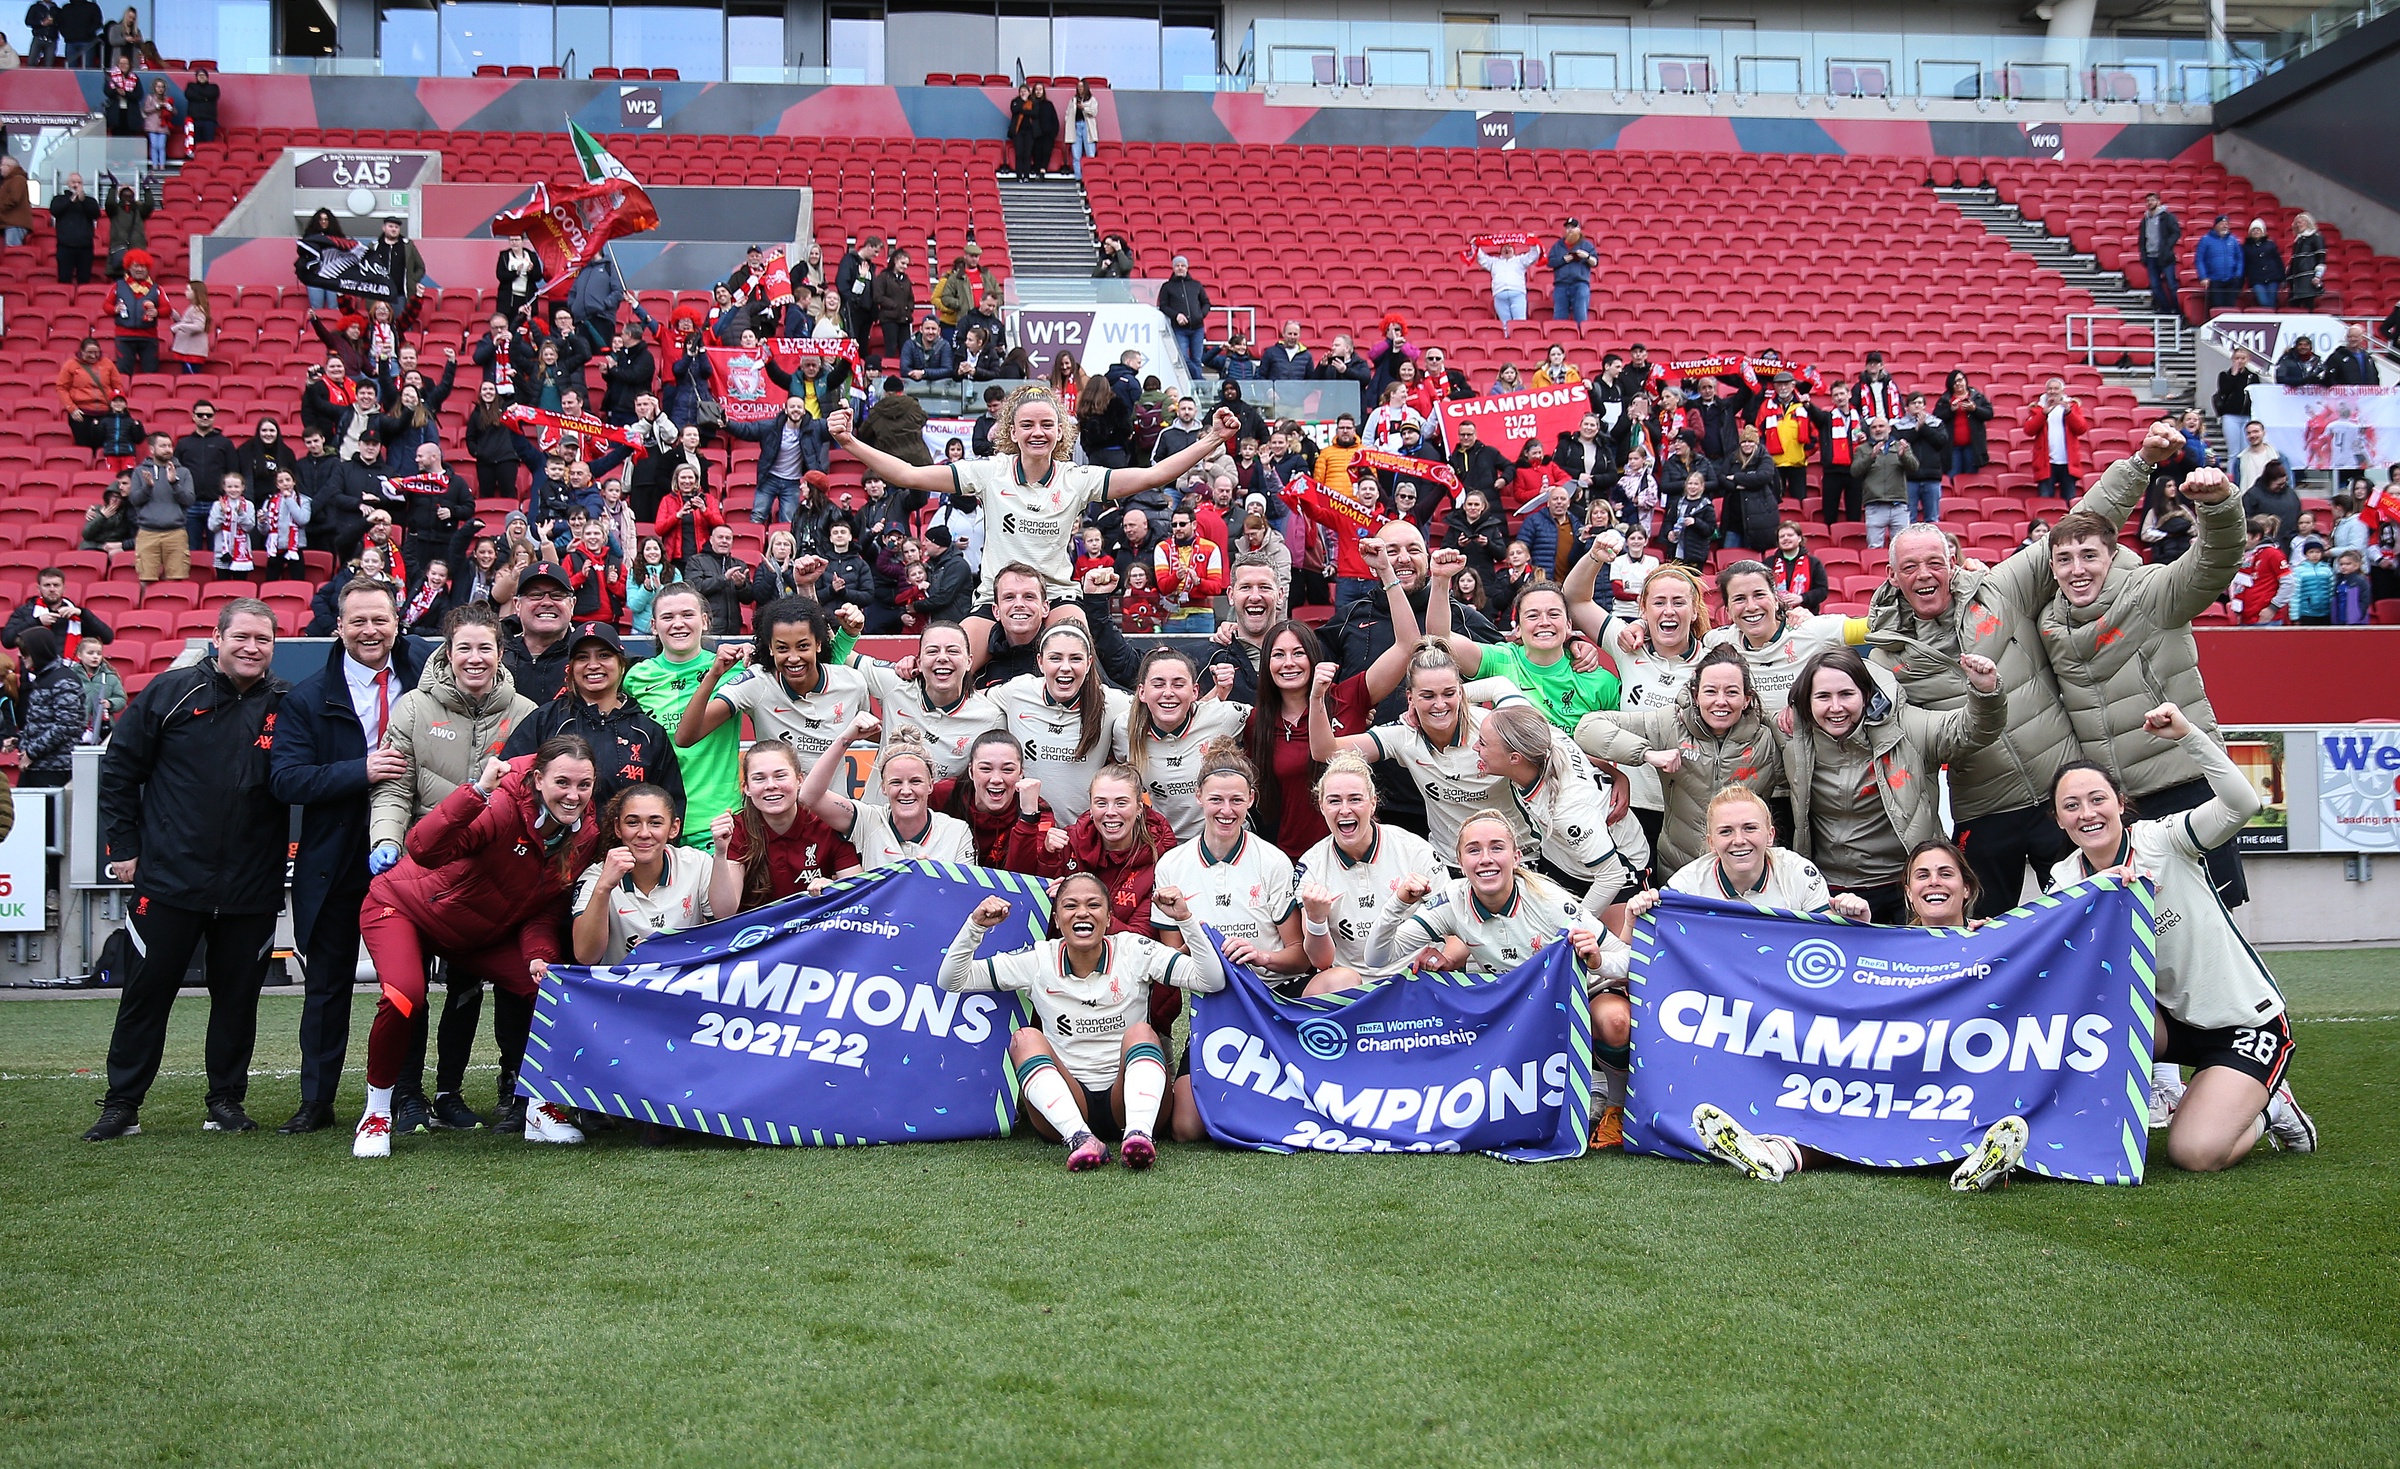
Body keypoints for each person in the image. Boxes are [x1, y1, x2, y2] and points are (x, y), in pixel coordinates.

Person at [2049, 704, 2314, 1170]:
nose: (2086, 814)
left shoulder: (2163, 840)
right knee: (2076, 1013)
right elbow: (2035, 945)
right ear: (2058, 820)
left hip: (2243, 1024)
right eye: (2071, 806)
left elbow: (2243, 804)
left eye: (2097, 799)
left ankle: (2270, 1106)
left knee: (2194, 1154)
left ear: (2119, 803)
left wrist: (2188, 735)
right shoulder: (2066, 878)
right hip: (2167, 1029)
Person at [84, 602, 284, 1143]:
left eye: (263, 639)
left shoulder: (287, 704)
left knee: (238, 1001)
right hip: (169, 880)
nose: (251, 648)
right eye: (241, 636)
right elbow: (121, 768)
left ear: (274, 646)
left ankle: (225, 1101)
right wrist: (124, 846)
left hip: (251, 886)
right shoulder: (172, 693)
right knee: (146, 996)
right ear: (216, 638)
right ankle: (122, 1104)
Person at [825, 385, 1234, 645]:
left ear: (1060, 433)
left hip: (1056, 597)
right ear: (1012, 432)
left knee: (1076, 649)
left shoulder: (1077, 478)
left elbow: (1153, 475)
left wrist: (1214, 437)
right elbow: (908, 473)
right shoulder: (989, 472)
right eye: (1027, 425)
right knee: (950, 658)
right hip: (993, 600)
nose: (1037, 432)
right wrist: (848, 440)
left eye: (1047, 424)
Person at [350, 738, 603, 1157]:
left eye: (584, 785)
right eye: (562, 783)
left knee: (553, 990)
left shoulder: (587, 832)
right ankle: (377, 1112)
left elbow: (544, 907)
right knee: (404, 996)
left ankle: (540, 1107)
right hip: (403, 907)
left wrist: (539, 955)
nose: (573, 795)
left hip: (475, 933)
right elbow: (424, 849)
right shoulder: (501, 805)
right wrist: (476, 792)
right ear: (538, 780)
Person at [265, 579, 430, 1134]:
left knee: (408, 984)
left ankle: (407, 1095)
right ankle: (317, 1099)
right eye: (357, 621)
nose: (369, 631)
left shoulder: (429, 678)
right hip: (334, 860)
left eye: (379, 619)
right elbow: (285, 779)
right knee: (327, 985)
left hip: (413, 857)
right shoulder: (307, 697)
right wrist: (360, 770)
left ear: (396, 621)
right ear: (338, 627)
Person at [2041, 464, 2247, 901]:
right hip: (2121, 806)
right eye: (2064, 559)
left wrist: (2216, 505)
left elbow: (2214, 563)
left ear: (2111, 556)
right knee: (2136, 932)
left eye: (2089, 556)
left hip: (2185, 785)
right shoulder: (2049, 625)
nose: (2077, 569)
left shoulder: (2151, 591)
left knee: (2212, 926)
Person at [1362, 810, 1632, 1141]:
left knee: (1615, 1021)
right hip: (1519, 1009)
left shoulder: (1549, 903)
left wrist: (1597, 959)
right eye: (1474, 850)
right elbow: (1377, 958)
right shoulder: (1453, 902)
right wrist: (1398, 904)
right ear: (1459, 862)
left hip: (1579, 1000)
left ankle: (1617, 1106)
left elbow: (1627, 959)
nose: (1486, 859)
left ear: (1516, 857)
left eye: (1497, 848)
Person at [942, 870, 1222, 1171]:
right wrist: (975, 927)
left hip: (1127, 1101)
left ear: (1109, 915)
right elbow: (953, 979)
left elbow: (1210, 979)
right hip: (1067, 1106)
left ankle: (1139, 1134)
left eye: (1093, 904)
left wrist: (1184, 918)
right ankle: (1080, 1138)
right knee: (1025, 1038)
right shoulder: (1038, 959)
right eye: (1070, 905)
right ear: (1058, 917)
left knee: (1141, 1032)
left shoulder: (1133, 950)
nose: (1082, 913)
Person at [1780, 645, 2004, 923]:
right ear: (1806, 701)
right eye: (1823, 697)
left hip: (1907, 885)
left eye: (1846, 694)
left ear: (1866, 695)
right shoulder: (1794, 742)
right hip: (1836, 890)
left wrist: (1985, 691)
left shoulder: (1905, 726)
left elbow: (1972, 730)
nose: (1835, 707)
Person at [1577, 645, 1784, 880]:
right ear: (1695, 695)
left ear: (1747, 699)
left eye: (1732, 692)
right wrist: (1646, 754)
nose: (1720, 701)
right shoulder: (1670, 724)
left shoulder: (1767, 737)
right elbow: (1587, 728)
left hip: (1747, 873)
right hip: (1680, 872)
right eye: (1710, 691)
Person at [705, 742, 861, 916]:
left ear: (800, 780)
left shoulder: (827, 824)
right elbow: (723, 913)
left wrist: (834, 891)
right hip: (755, 936)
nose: (770, 785)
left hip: (815, 930)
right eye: (759, 778)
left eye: (780, 776)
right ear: (746, 788)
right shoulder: (737, 830)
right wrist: (720, 852)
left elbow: (859, 896)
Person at [570, 784, 712, 968]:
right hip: (624, 991)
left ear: (674, 828)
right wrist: (603, 888)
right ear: (618, 827)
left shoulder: (697, 864)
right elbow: (585, 956)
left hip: (683, 986)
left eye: (655, 823)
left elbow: (723, 930)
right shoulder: (596, 877)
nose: (644, 833)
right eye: (632, 822)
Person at [13, 626, 80, 791]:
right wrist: (20, 740)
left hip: (53, 769)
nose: (19, 655)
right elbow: (41, 723)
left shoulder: (63, 680)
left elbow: (66, 726)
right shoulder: (44, 678)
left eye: (25, 651)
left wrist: (32, 752)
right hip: (36, 766)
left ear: (38, 651)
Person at [4, 567, 113, 649]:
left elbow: (107, 637)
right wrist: (37, 621)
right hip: (35, 676)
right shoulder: (25, 611)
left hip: (70, 673)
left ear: (64, 588)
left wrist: (83, 613)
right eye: (47, 585)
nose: (52, 589)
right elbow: (7, 641)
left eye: (56, 585)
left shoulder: (75, 614)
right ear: (38, 589)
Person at [2022, 378, 2089, 499]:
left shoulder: (2072, 406)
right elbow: (2029, 430)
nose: (2052, 391)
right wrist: (2043, 413)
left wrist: (2069, 412)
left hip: (2067, 463)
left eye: (2056, 388)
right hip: (2046, 463)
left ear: (2062, 391)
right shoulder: (2038, 408)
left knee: (2070, 501)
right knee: (2045, 500)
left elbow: (2081, 428)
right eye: (2050, 388)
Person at [1158, 255, 1211, 377]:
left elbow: (1206, 303)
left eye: (1182, 265)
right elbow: (1163, 306)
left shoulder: (1196, 285)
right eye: (1177, 266)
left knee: (1197, 360)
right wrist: (1176, 316)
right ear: (1173, 268)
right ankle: (1200, 383)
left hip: (1197, 328)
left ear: (1187, 268)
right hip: (1180, 329)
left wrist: (1200, 315)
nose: (1180, 268)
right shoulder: (1167, 287)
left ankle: (1196, 386)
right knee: (1184, 359)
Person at [1476, 236, 1540, 336]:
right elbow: (1481, 258)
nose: (1507, 249)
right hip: (1499, 296)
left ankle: (1521, 343)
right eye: (1504, 247)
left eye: (1510, 247)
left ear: (1514, 250)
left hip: (1517, 295)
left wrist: (1533, 243)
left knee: (1520, 324)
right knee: (1505, 326)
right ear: (1500, 250)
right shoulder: (1494, 262)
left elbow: (1533, 255)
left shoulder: (1520, 260)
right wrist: (1476, 245)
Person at [47, 170, 99, 283]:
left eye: (79, 182)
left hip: (85, 247)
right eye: (73, 182)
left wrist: (83, 200)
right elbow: (54, 211)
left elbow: (95, 214)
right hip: (65, 247)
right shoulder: (59, 199)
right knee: (64, 278)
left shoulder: (89, 201)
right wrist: (71, 200)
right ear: (68, 184)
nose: (76, 185)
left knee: (84, 279)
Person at [2138, 193, 2183, 319]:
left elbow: (2176, 233)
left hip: (2165, 256)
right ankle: (2165, 308)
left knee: (2171, 284)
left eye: (2152, 200)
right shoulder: (2145, 220)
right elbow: (2142, 238)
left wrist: (2167, 247)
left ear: (2158, 201)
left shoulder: (2168, 217)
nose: (2150, 203)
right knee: (2155, 285)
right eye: (2148, 201)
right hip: (2151, 256)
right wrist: (2143, 253)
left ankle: (2178, 310)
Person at [1546, 220, 1597, 324]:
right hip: (1561, 285)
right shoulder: (1558, 245)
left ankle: (1581, 337)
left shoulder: (1586, 245)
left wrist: (1586, 256)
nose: (1570, 230)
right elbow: (1550, 262)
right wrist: (1564, 259)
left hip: (1580, 284)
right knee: (1559, 317)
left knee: (1581, 315)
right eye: (1568, 228)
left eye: (1572, 228)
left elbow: (1594, 262)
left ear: (1579, 229)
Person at [2193, 215, 2242, 311]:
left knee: (2230, 307)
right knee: (2217, 307)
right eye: (2222, 224)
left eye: (2227, 224)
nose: (2225, 226)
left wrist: (2238, 274)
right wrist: (2203, 277)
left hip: (2231, 280)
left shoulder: (2233, 240)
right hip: (2214, 280)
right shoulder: (2206, 240)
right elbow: (2199, 259)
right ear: (2215, 225)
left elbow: (2239, 258)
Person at [2240, 219, 2285, 308]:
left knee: (2272, 302)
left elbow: (2278, 262)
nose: (2256, 232)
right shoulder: (2246, 247)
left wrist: (2283, 278)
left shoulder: (2271, 245)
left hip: (2272, 277)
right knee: (2263, 301)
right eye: (2254, 230)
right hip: (2256, 279)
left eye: (2258, 229)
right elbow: (2245, 265)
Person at [2286, 214, 2326, 310]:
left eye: (2301, 222)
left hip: (2308, 279)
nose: (2299, 225)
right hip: (2296, 282)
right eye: (2297, 223)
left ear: (2308, 222)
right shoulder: (2298, 240)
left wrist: (2318, 276)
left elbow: (2321, 258)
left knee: (2308, 306)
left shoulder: (2316, 237)